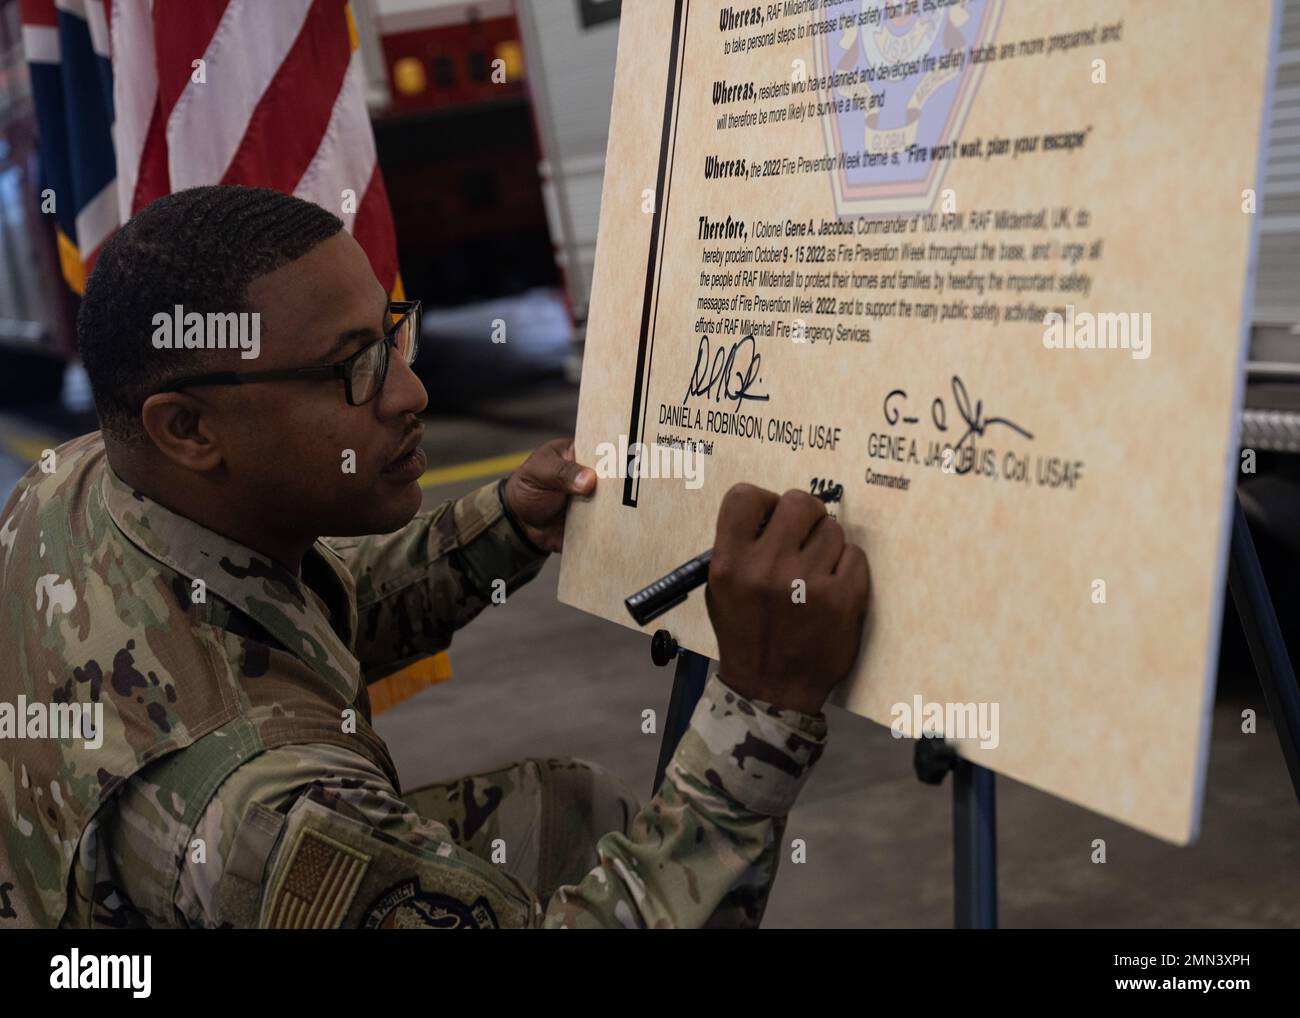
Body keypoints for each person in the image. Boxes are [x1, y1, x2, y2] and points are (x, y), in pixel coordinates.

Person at [0, 185, 869, 929]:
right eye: (352, 368)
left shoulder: (77, 482)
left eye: (391, 337)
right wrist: (760, 710)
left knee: (569, 811)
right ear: (187, 428)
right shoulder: (270, 813)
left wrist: (504, 527)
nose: (411, 392)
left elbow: (292, 620)